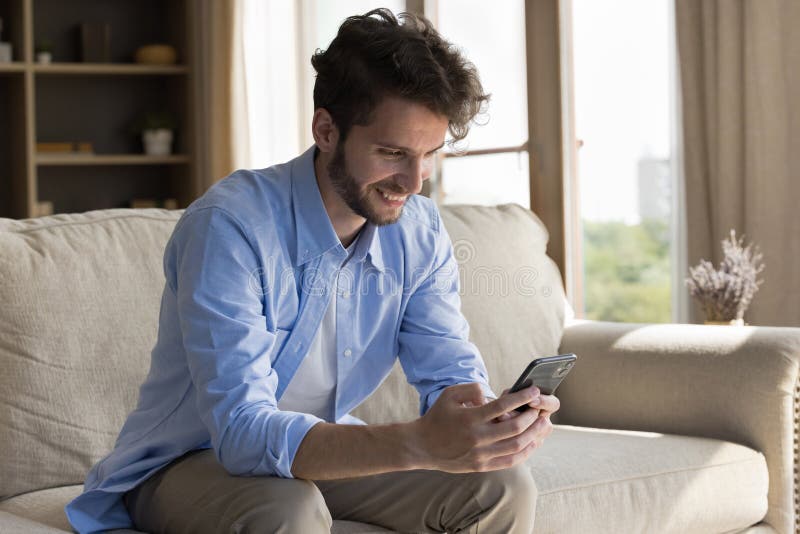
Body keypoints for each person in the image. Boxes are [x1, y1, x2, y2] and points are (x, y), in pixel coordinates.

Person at [66, 9, 559, 533]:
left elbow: (448, 372)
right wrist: (417, 442)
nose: (414, 182)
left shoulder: (419, 230)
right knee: (287, 509)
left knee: (499, 486)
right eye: (393, 153)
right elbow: (240, 432)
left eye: (429, 154)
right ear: (326, 129)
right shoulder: (230, 227)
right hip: (189, 460)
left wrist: (481, 420)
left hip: (319, 450)